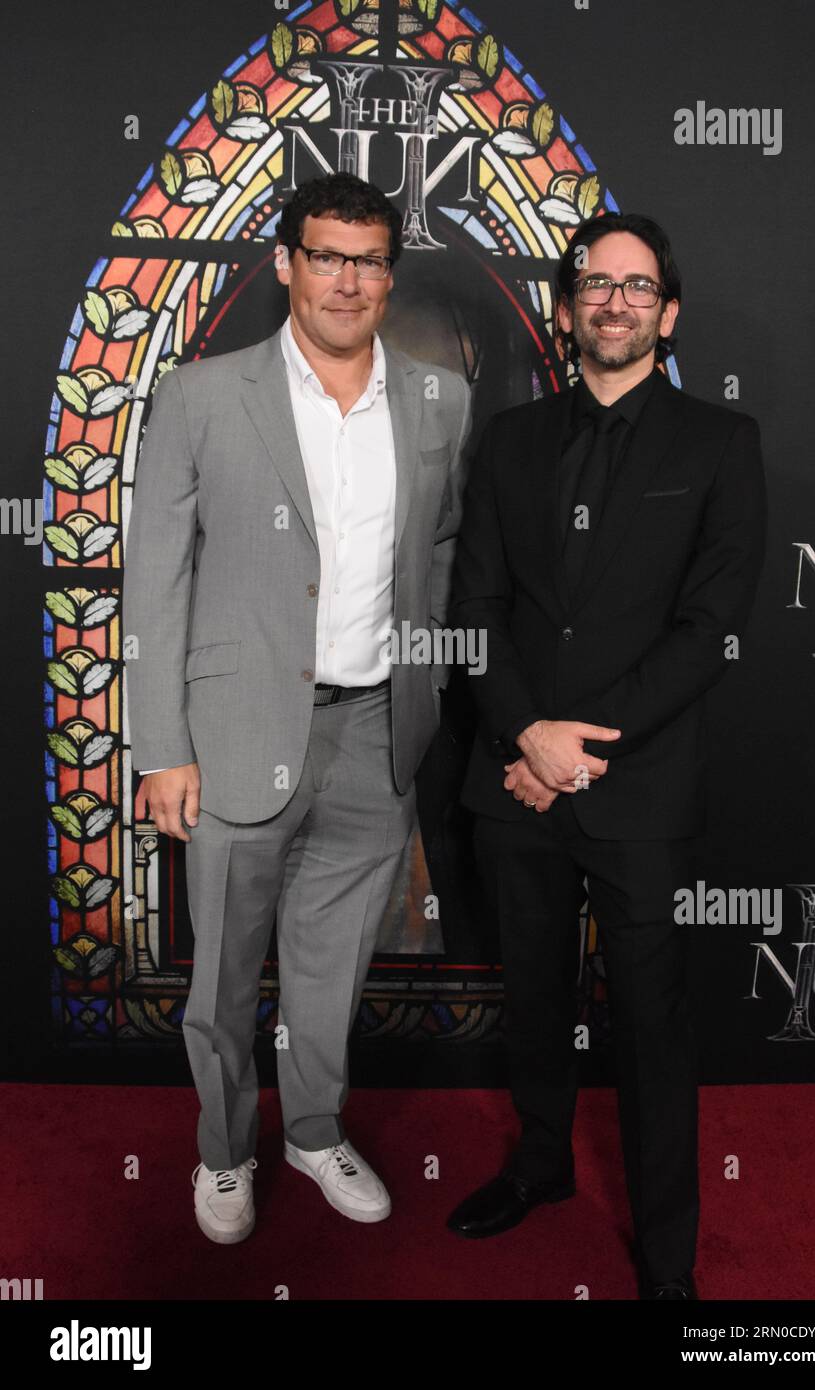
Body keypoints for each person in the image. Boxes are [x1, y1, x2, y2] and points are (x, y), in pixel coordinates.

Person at [122, 171, 471, 1244]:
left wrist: (429, 679)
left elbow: (444, 549)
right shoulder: (198, 393)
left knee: (330, 968)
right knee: (223, 973)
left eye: (367, 260)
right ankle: (224, 1151)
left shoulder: (436, 400)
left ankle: (313, 1130)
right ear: (285, 264)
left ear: (388, 274)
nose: (346, 279)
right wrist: (162, 746)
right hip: (232, 735)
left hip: (378, 734)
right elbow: (156, 579)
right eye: (324, 255)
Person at [446, 212, 767, 1299]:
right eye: (595, 282)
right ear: (567, 304)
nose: (614, 300)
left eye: (637, 287)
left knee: (652, 1024)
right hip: (513, 779)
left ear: (666, 314)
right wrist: (520, 734)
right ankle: (539, 1167)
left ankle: (667, 1257)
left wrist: (576, 750)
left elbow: (707, 628)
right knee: (529, 996)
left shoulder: (721, 445)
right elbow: (474, 605)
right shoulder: (507, 441)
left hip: (638, 788)